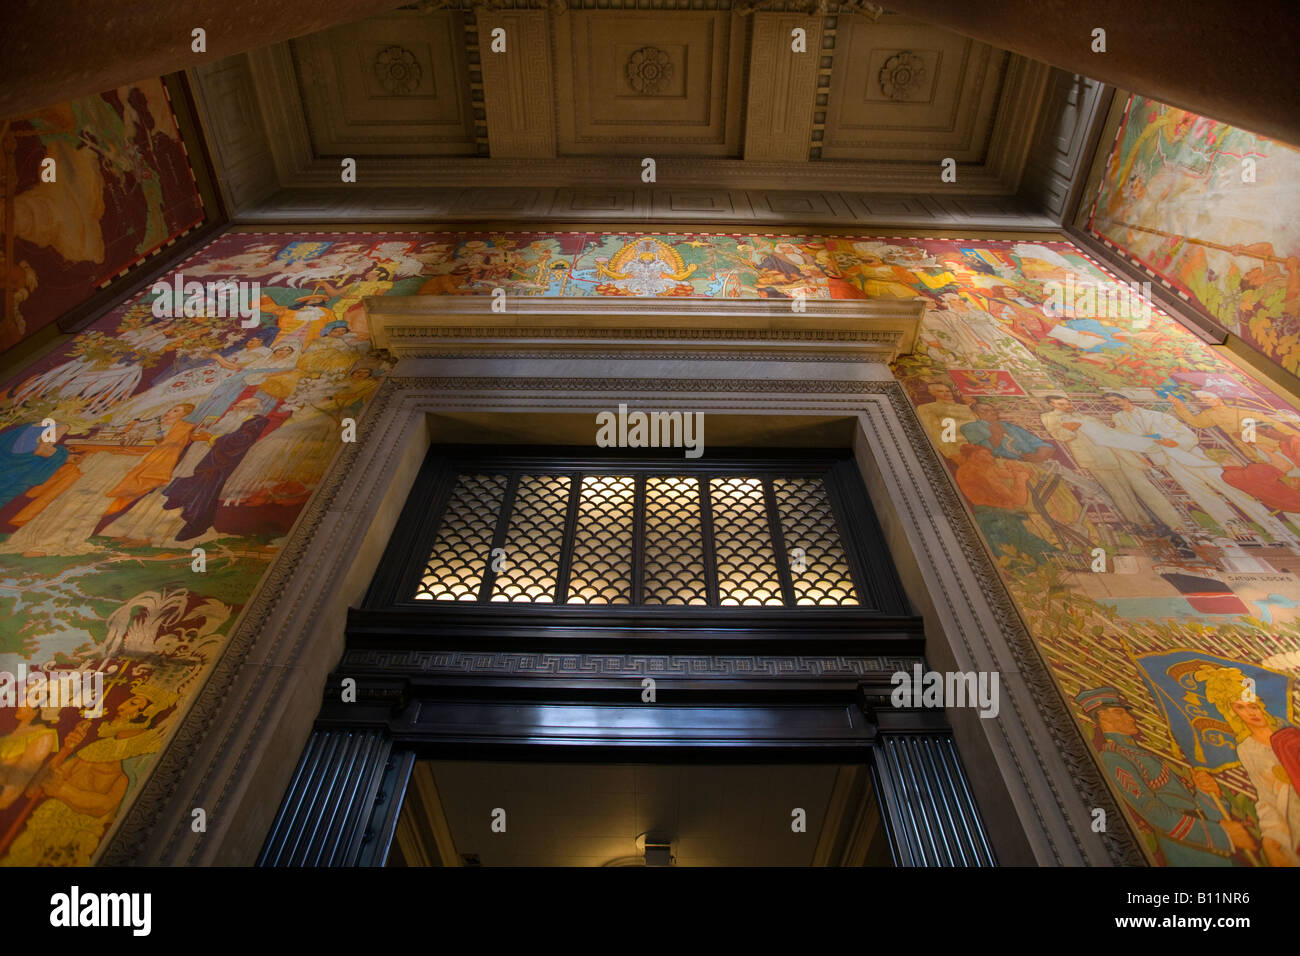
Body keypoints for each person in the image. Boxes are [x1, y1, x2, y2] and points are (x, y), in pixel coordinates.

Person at [1075, 686, 1256, 866]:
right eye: (1120, 713)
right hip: (1187, 847)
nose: (1130, 718)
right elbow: (1152, 811)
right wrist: (1220, 835)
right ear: (1103, 716)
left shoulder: (1142, 754)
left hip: (1206, 842)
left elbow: (1183, 802)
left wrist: (1205, 793)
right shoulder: (1113, 758)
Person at [1198, 665, 1300, 866]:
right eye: (1240, 707)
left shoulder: (1288, 733)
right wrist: (1271, 833)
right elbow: (1265, 795)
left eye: (1253, 706)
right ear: (1233, 713)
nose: (1251, 713)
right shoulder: (1246, 749)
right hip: (1291, 813)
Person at [1040, 394, 1183, 531]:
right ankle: (1142, 524)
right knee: (1120, 493)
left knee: (1145, 488)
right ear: (1052, 405)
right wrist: (1071, 430)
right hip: (1097, 459)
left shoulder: (1085, 417)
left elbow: (1112, 435)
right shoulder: (1048, 417)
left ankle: (1174, 522)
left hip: (1120, 455)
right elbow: (1060, 435)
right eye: (1061, 404)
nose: (1067, 406)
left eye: (1068, 403)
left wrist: (1136, 452)